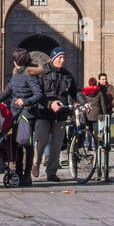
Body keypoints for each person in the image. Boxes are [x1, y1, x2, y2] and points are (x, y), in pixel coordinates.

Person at [0, 48, 43, 186]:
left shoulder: (29, 75)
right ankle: (18, 171)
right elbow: (8, 91)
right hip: (15, 114)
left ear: (15, 62)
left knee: (25, 144)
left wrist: (26, 101)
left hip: (27, 114)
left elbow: (38, 94)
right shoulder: (16, 75)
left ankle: (26, 175)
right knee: (16, 144)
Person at [38, 46, 78, 182]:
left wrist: (82, 102)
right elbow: (38, 93)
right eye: (60, 57)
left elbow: (75, 91)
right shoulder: (42, 73)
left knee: (57, 144)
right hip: (43, 113)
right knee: (42, 140)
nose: (62, 60)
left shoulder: (67, 75)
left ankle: (51, 172)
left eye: (64, 58)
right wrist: (49, 104)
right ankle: (36, 163)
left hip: (60, 114)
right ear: (53, 58)